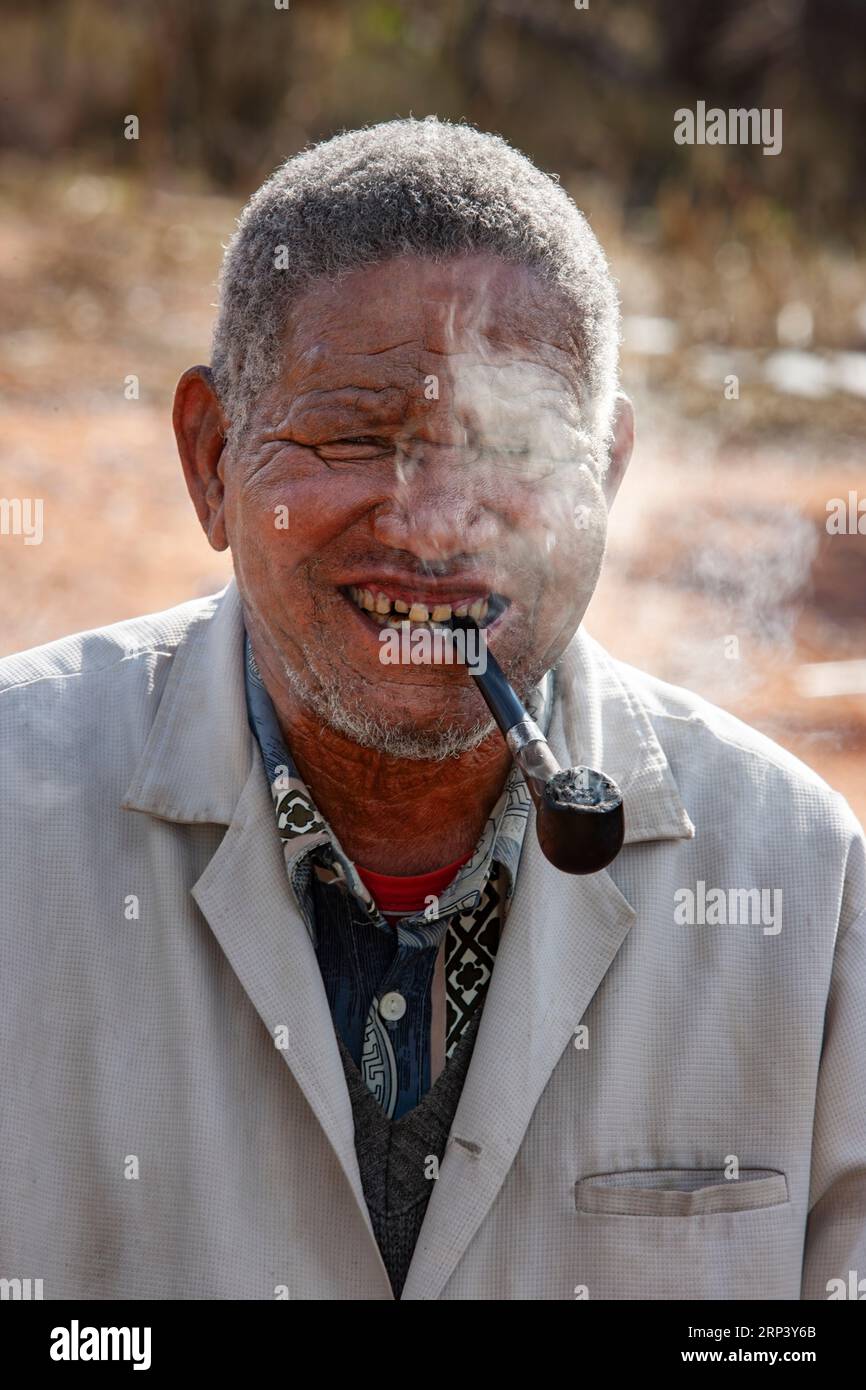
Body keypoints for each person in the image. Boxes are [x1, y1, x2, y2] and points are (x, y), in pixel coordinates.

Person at [1, 118, 863, 1301]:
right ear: (211, 459)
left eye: (510, 447)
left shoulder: (805, 889)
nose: (436, 526)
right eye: (358, 438)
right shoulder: (14, 808)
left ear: (604, 474)